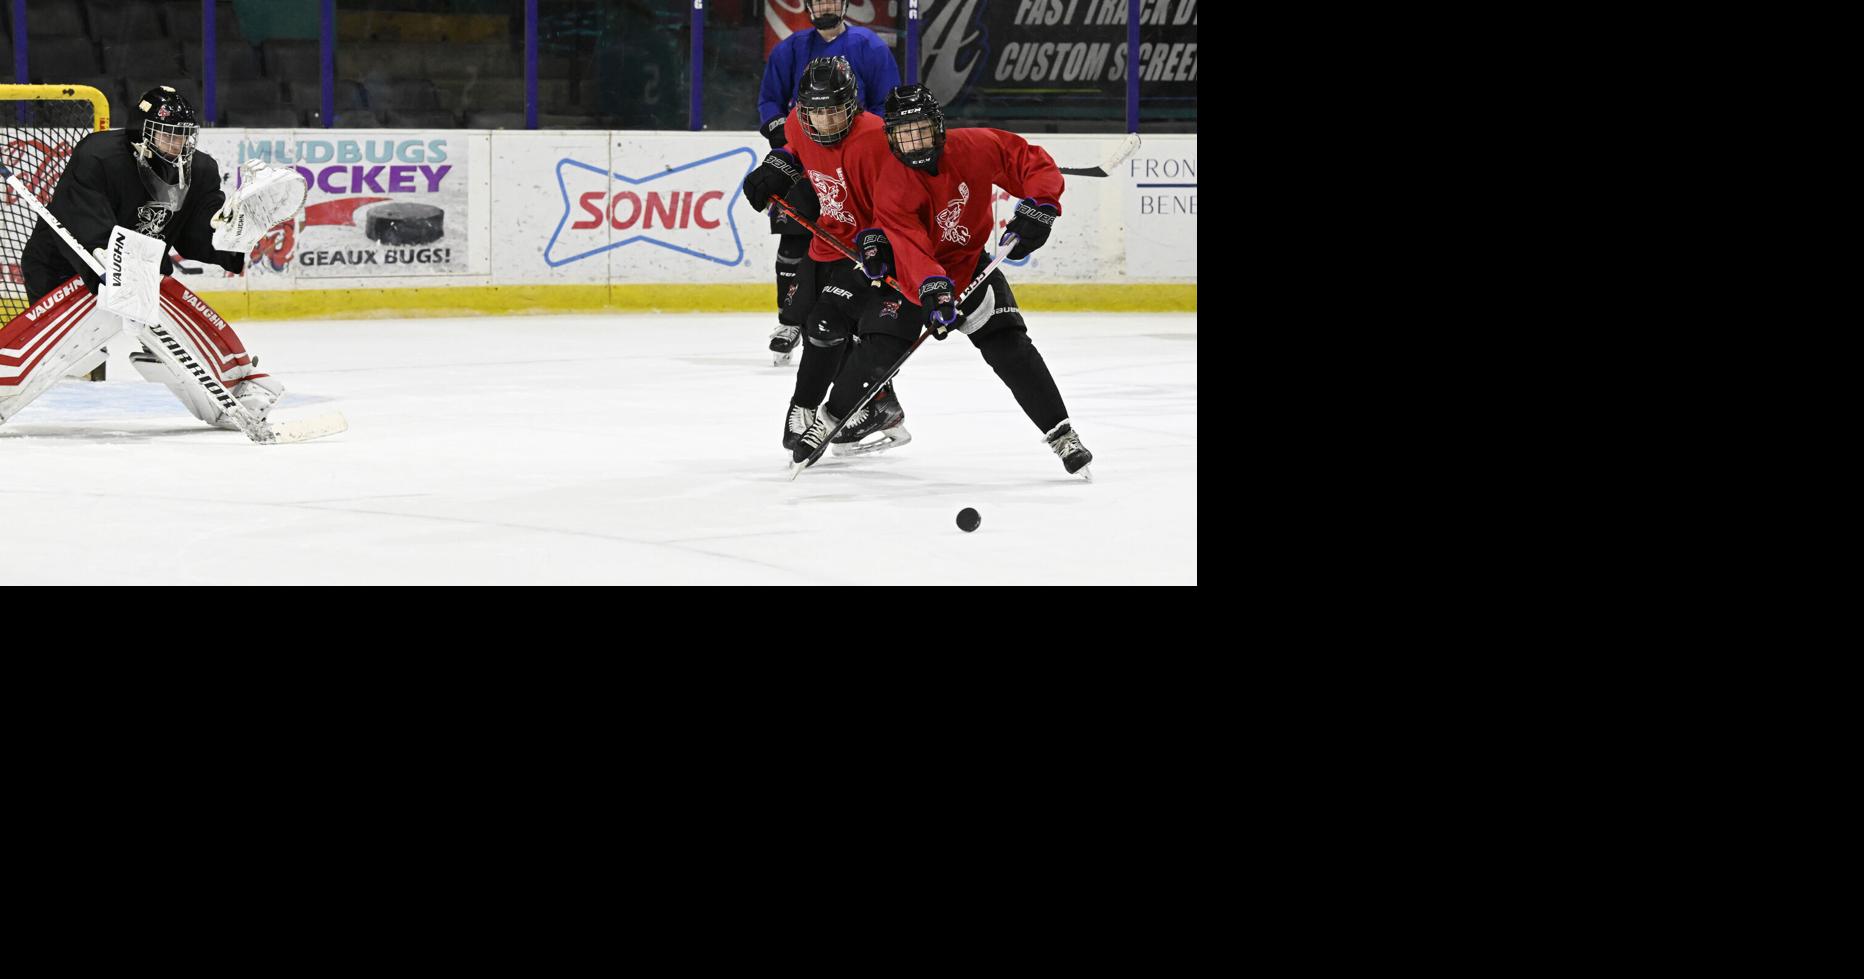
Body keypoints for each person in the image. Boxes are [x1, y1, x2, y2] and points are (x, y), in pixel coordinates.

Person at [790, 84, 1094, 479]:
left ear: (938, 126)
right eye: (903, 132)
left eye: (921, 129)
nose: (914, 141)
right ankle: (829, 419)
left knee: (1010, 346)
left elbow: (1030, 163)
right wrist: (934, 290)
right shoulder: (893, 184)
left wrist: (1041, 206)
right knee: (878, 352)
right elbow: (910, 248)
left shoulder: (977, 146)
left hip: (969, 265)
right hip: (911, 278)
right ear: (891, 137)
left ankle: (1061, 433)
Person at [755, 0, 900, 365]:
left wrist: (863, 143)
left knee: (849, 242)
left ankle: (847, 317)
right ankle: (789, 321)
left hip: (852, 165)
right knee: (793, 243)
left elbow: (889, 105)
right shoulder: (791, 48)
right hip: (806, 161)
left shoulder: (869, 47)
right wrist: (786, 144)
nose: (823, 5)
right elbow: (770, 101)